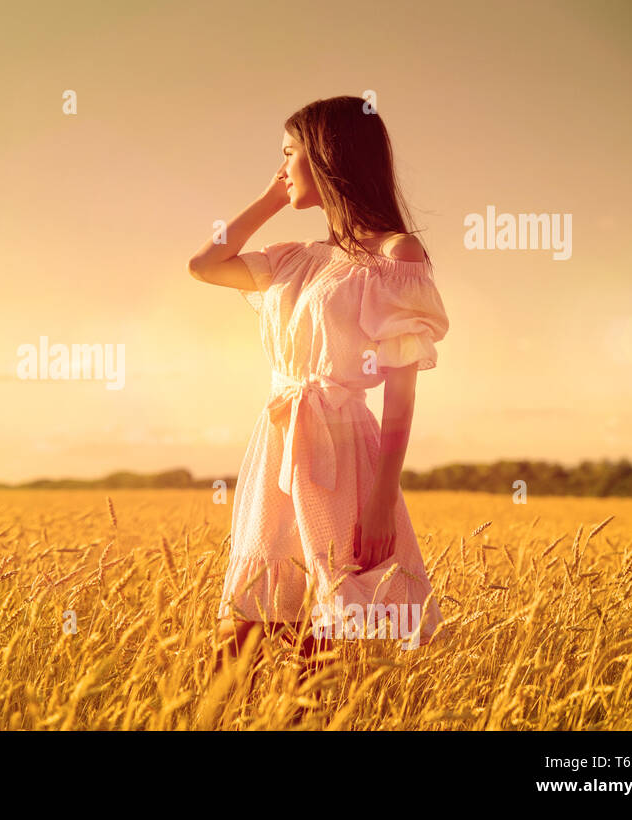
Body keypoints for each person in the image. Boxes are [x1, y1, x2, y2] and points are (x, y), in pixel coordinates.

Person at [188, 96, 449, 678]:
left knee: (319, 629)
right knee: (244, 626)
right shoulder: (296, 258)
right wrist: (273, 196)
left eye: (289, 153)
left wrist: (384, 496)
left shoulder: (396, 255)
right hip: (278, 439)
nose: (280, 167)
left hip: (341, 448)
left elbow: (400, 394)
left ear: (327, 156)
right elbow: (205, 264)